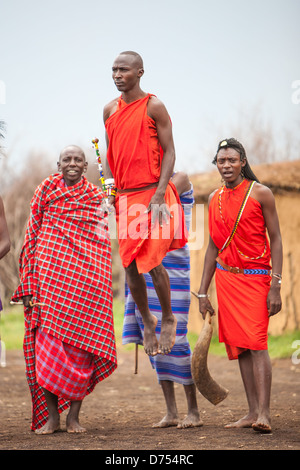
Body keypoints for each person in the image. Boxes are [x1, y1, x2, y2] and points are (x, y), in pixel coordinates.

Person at [11, 145, 117, 434]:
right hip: (48, 281)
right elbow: (31, 234)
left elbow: (102, 242)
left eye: (77, 160)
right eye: (66, 159)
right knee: (46, 351)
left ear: (86, 166)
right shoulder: (45, 190)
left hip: (85, 284)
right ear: (58, 164)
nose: (72, 163)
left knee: (83, 349)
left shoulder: (97, 197)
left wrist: (112, 205)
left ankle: (73, 418)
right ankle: (53, 418)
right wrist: (28, 280)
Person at [103, 51, 188, 357]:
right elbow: (110, 155)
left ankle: (167, 315)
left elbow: (170, 152)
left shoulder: (154, 106)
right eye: (113, 70)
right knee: (129, 266)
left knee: (151, 262)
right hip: (125, 197)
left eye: (123, 70)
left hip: (153, 193)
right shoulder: (109, 110)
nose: (116, 75)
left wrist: (160, 192)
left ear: (139, 72)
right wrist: (110, 191)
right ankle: (147, 320)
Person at [197, 138, 282, 434]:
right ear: (216, 165)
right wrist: (203, 291)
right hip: (227, 279)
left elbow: (277, 240)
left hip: (256, 279)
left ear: (243, 161)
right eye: (221, 161)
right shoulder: (214, 198)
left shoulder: (261, 193)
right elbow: (212, 247)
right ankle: (251, 412)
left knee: (257, 344)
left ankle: (265, 414)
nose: (227, 165)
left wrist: (276, 285)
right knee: (241, 348)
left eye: (232, 160)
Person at [123, 172, 202, 429]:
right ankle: (171, 412)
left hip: (174, 269)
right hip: (144, 268)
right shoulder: (134, 190)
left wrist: (132, 196)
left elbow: (164, 191)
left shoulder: (179, 180)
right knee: (154, 341)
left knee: (177, 339)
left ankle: (193, 411)